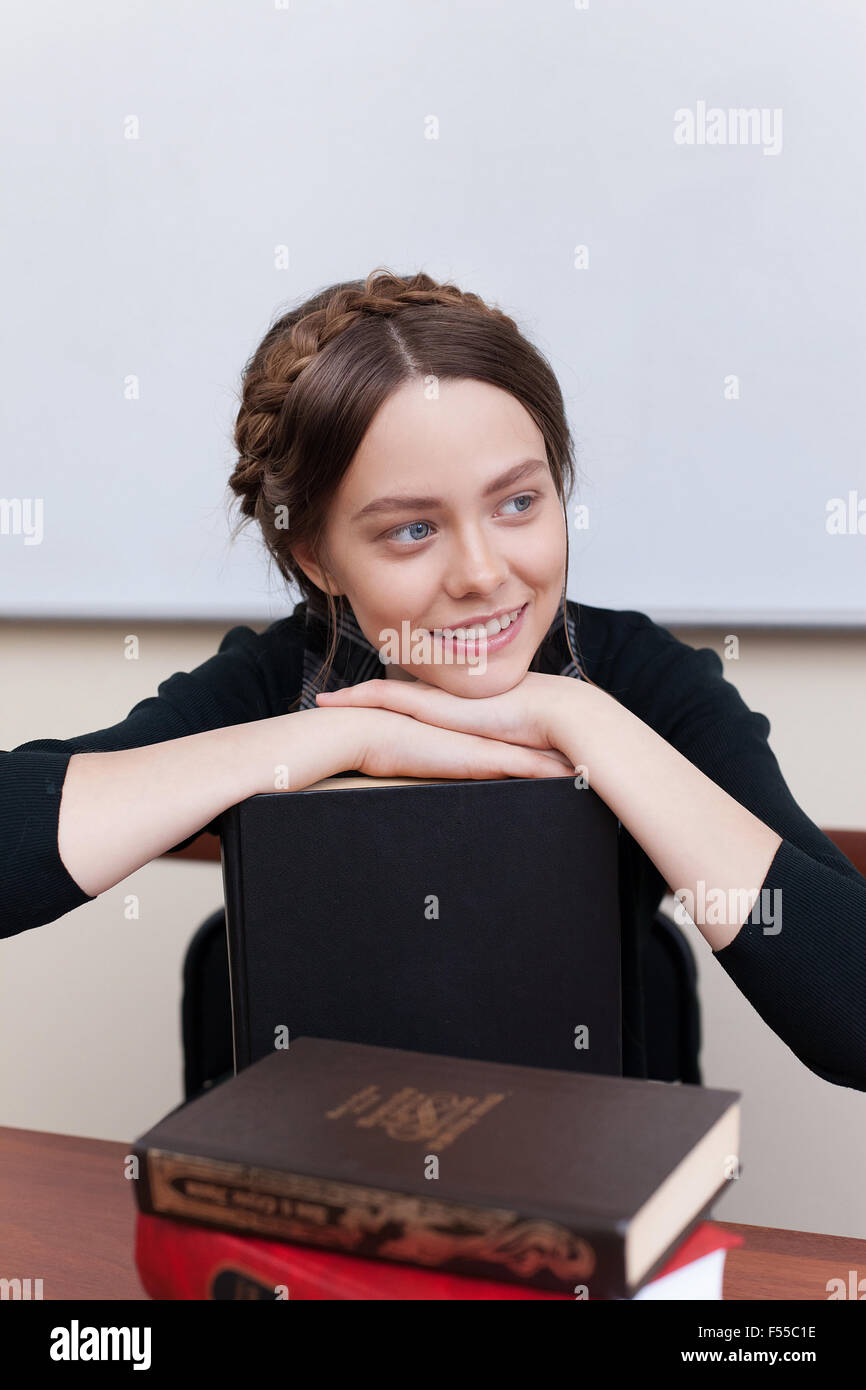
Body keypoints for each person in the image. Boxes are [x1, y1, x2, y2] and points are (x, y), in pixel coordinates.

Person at [2, 267, 865, 1092]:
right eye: (414, 529)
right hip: (316, 1190)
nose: (484, 572)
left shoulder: (641, 678)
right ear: (318, 557)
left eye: (519, 503)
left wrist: (586, 720)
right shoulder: (276, 683)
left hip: (578, 1206)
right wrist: (343, 733)